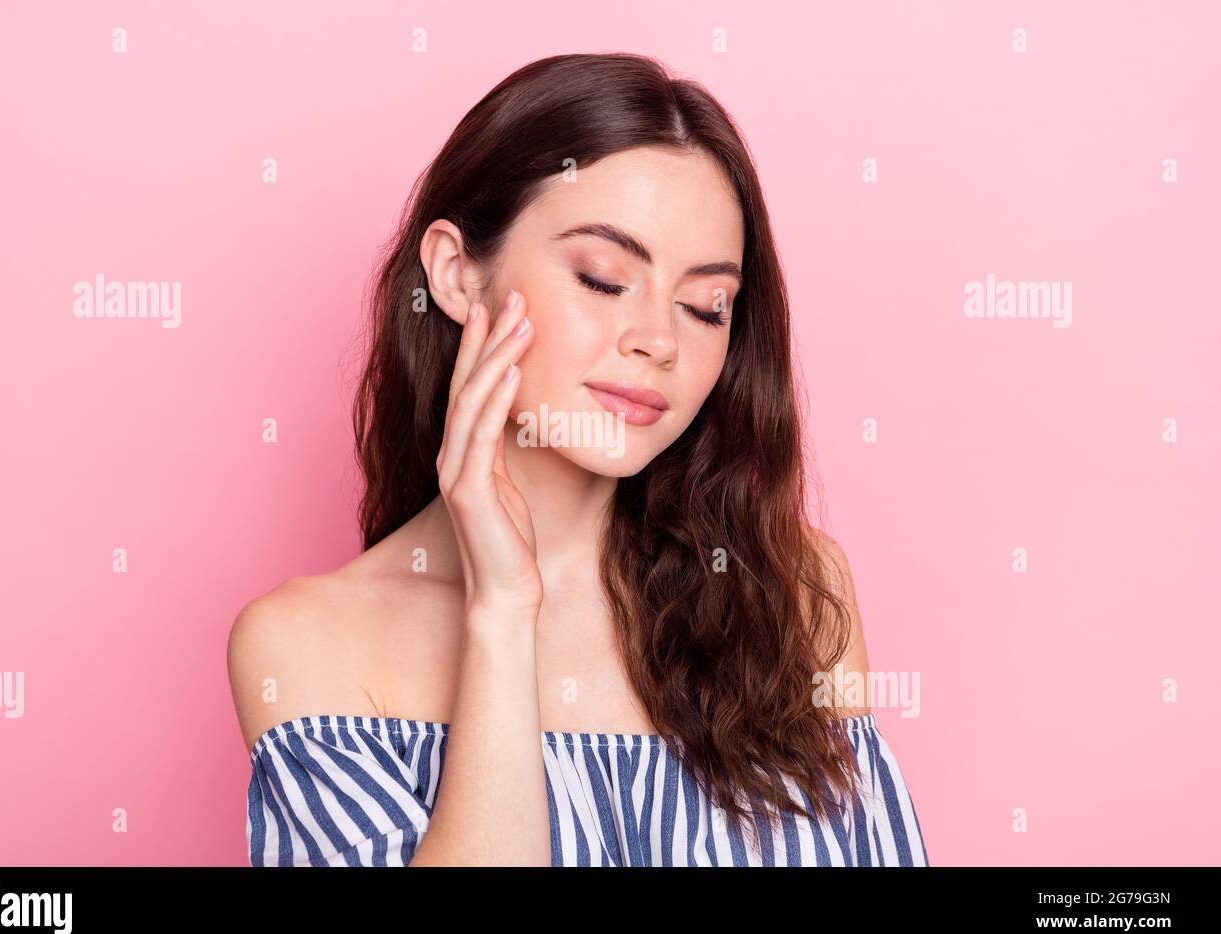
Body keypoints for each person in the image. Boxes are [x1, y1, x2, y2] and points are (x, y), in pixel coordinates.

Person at [228, 52, 929, 867]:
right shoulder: (308, 646)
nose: (658, 341)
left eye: (706, 307)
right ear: (457, 274)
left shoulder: (793, 591)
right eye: (603, 279)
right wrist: (503, 610)